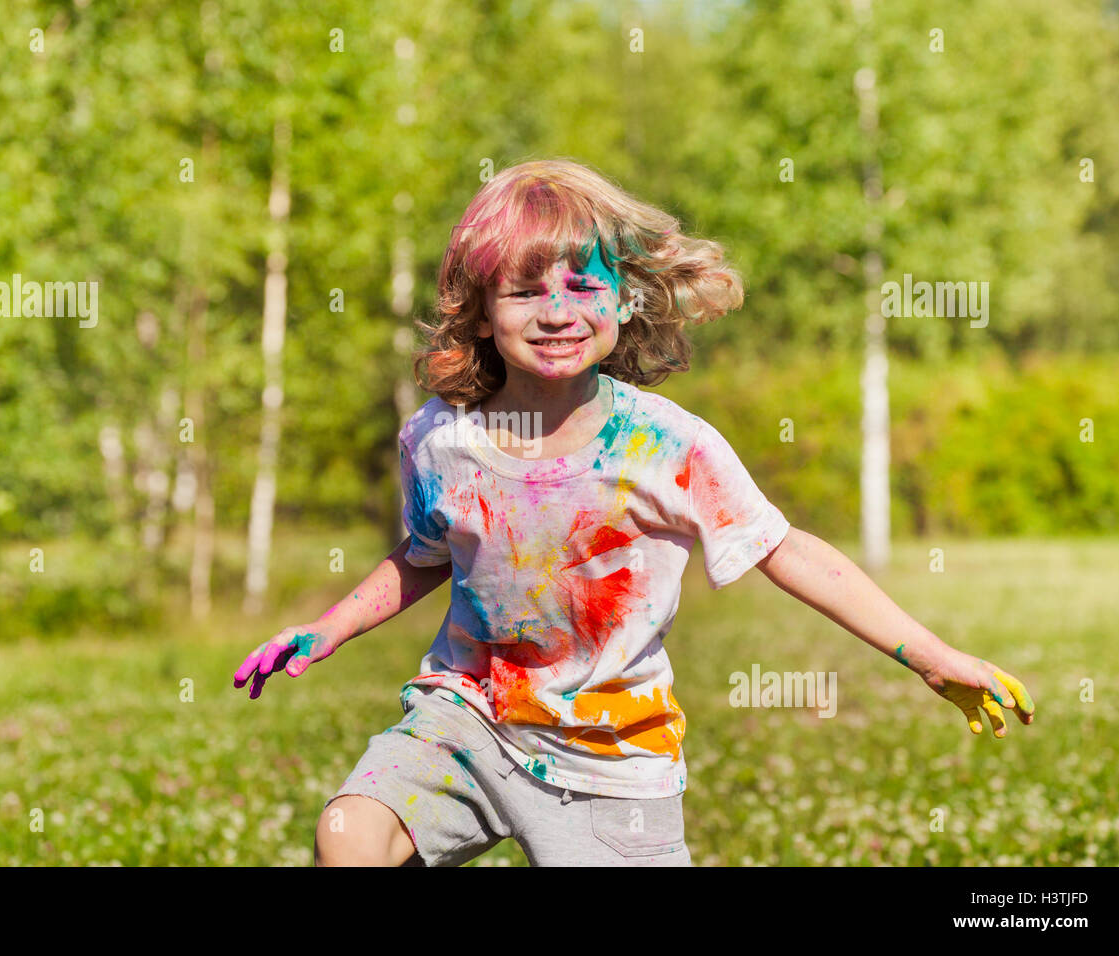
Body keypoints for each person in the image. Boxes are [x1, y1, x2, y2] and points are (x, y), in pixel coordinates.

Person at [233, 158, 1036, 867]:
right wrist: (326, 629)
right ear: (481, 310)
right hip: (467, 720)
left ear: (623, 299)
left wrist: (928, 654)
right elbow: (422, 559)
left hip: (613, 762)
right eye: (524, 291)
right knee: (347, 834)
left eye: (584, 285)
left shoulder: (668, 445)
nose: (556, 313)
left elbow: (787, 549)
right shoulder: (440, 439)